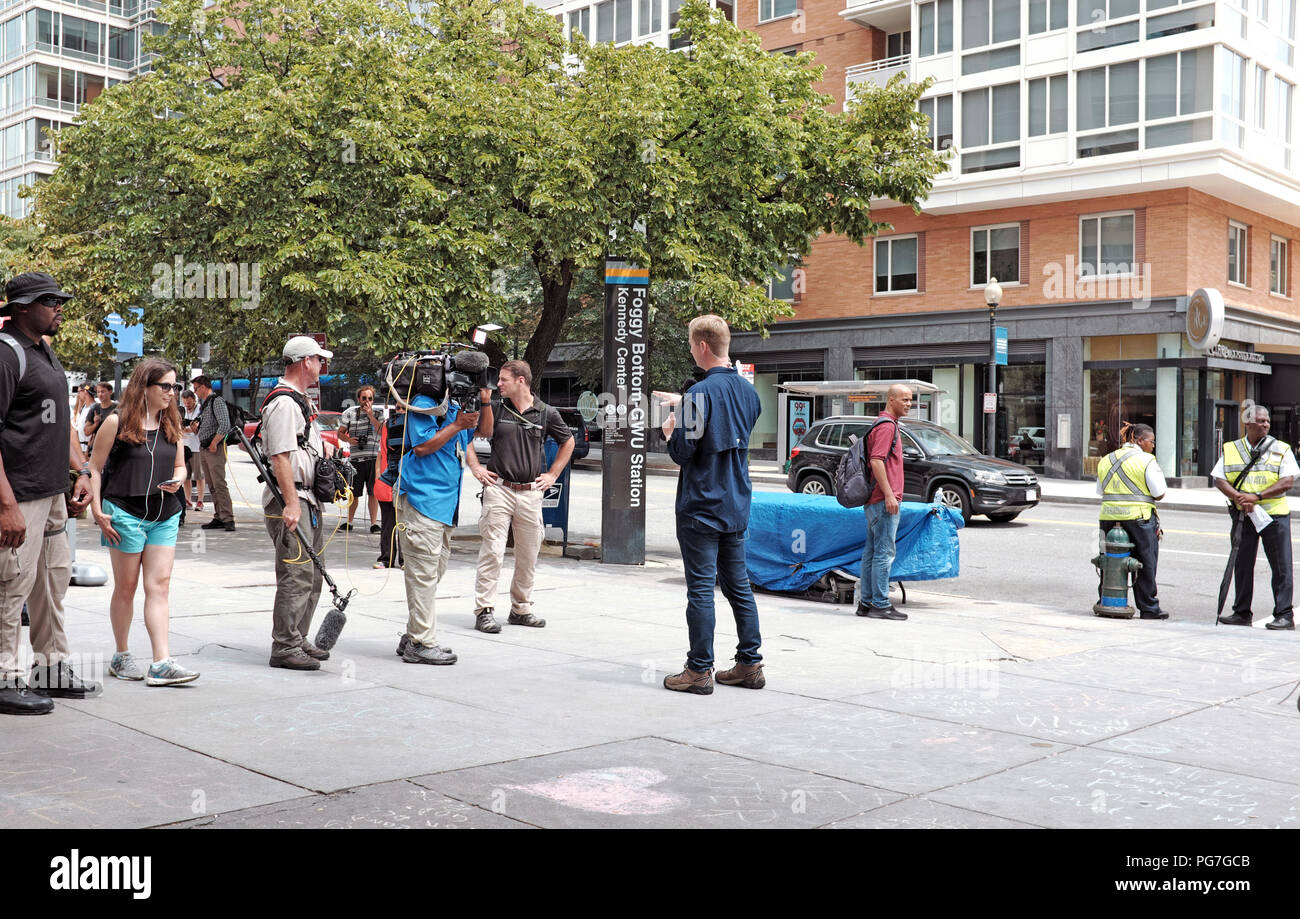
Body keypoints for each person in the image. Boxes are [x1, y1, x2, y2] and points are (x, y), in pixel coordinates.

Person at [0, 271, 100, 714]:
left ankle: (50, 669)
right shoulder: (7, 355)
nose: (59, 307)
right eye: (49, 300)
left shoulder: (45, 351)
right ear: (21, 307)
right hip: (18, 494)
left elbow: (59, 423)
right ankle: (4, 678)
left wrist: (81, 471)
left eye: (60, 299)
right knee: (11, 586)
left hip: (53, 490)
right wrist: (6, 506)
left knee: (51, 581)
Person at [658, 315, 763, 694]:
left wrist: (670, 431)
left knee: (701, 589)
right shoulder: (749, 393)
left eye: (691, 344)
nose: (691, 350)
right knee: (739, 586)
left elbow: (683, 452)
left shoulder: (698, 395)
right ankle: (749, 663)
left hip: (701, 503)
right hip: (736, 501)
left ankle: (699, 669)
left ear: (702, 346)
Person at [88, 358, 199, 686]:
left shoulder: (171, 422)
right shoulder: (116, 421)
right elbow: (94, 467)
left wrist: (179, 479)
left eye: (175, 386)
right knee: (126, 587)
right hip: (124, 512)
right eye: (165, 386)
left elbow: (181, 466)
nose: (172, 392)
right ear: (144, 388)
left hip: (164, 513)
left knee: (159, 585)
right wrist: (96, 510)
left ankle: (161, 662)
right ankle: (121, 654)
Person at [465, 359, 572, 633]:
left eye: (503, 380)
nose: (498, 384)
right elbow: (466, 437)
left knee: (528, 554)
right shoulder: (496, 408)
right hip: (499, 489)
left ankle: (520, 608)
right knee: (493, 552)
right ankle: (484, 610)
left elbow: (567, 441)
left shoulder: (546, 412)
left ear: (521, 380)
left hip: (530, 493)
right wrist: (476, 466)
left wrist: (553, 474)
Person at [393, 377, 493, 665]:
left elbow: (484, 431)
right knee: (423, 574)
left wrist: (484, 401)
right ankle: (422, 642)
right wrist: (457, 425)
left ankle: (414, 634)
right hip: (422, 501)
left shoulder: (457, 407)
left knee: (433, 572)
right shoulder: (424, 404)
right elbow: (423, 447)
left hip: (444, 506)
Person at [261, 337, 334, 670]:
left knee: (312, 574)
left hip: (307, 498)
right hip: (293, 499)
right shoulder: (284, 403)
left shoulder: (299, 401)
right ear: (306, 361)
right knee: (297, 571)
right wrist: (290, 504)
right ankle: (285, 645)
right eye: (319, 360)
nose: (322, 366)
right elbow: (279, 457)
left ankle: (297, 636)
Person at [1213, 405, 1297, 630]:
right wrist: (1239, 498)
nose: (1266, 424)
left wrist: (1256, 496)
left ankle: (1284, 615)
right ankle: (1241, 612)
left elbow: (1287, 481)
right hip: (1244, 514)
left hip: (1273, 515)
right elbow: (1219, 479)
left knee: (1281, 567)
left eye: (1267, 420)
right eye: (1260, 421)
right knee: (1242, 564)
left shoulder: (1281, 448)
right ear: (1247, 423)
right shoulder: (1231, 449)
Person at [1095, 422, 1168, 620]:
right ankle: (1149, 608)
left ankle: (1107, 599)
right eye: (1151, 441)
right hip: (1139, 518)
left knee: (1109, 562)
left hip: (1108, 518)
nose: (1153, 445)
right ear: (1139, 440)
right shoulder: (1146, 461)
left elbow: (1100, 491)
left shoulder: (1106, 459)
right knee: (1145, 564)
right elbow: (1159, 493)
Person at [855, 384, 913, 621]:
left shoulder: (885, 424)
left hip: (875, 500)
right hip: (882, 500)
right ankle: (880, 603)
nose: (909, 404)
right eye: (905, 400)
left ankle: (866, 603)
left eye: (910, 400)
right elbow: (877, 461)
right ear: (891, 400)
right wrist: (890, 494)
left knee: (872, 552)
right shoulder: (887, 426)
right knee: (884, 553)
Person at [192, 375, 235, 531]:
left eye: (196, 388)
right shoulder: (205, 404)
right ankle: (219, 516)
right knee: (212, 484)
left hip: (213, 449)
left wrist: (214, 443)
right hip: (204, 447)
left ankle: (228, 518)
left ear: (204, 387)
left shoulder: (217, 401)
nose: (195, 392)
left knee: (219, 484)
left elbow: (224, 425)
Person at [338, 385, 381, 533]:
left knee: (373, 493)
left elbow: (381, 430)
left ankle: (374, 523)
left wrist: (370, 415)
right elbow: (340, 433)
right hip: (356, 458)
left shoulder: (378, 413)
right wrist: (350, 440)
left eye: (370, 399)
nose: (366, 401)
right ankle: (349, 522)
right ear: (358, 399)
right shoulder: (349, 413)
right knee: (353, 493)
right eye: (364, 398)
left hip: (373, 458)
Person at [373, 403, 403, 570]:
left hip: (405, 481)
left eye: (403, 409)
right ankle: (386, 558)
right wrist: (378, 475)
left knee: (404, 523)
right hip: (386, 481)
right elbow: (380, 452)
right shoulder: (387, 426)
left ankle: (405, 559)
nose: (399, 412)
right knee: (387, 523)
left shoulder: (412, 425)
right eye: (397, 408)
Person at [181, 388, 204, 511]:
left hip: (197, 447)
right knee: (186, 476)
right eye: (185, 403)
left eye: (189, 403)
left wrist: (192, 428)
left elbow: (197, 428)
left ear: (194, 400)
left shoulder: (200, 410)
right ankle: (187, 499)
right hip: (185, 445)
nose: (187, 405)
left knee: (199, 475)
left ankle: (200, 500)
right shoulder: (182, 410)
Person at [84, 381, 117, 450]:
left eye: (103, 392)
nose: (100, 394)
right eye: (98, 392)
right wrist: (95, 424)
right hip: (98, 447)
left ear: (110, 392)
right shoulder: (95, 408)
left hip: (114, 448)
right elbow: (86, 432)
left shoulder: (117, 408)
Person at [73, 383, 95, 462]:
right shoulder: (84, 408)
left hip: (87, 451)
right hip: (80, 449)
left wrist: (88, 451)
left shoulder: (94, 408)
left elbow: (94, 433)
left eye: (79, 392)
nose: (78, 395)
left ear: (85, 391)